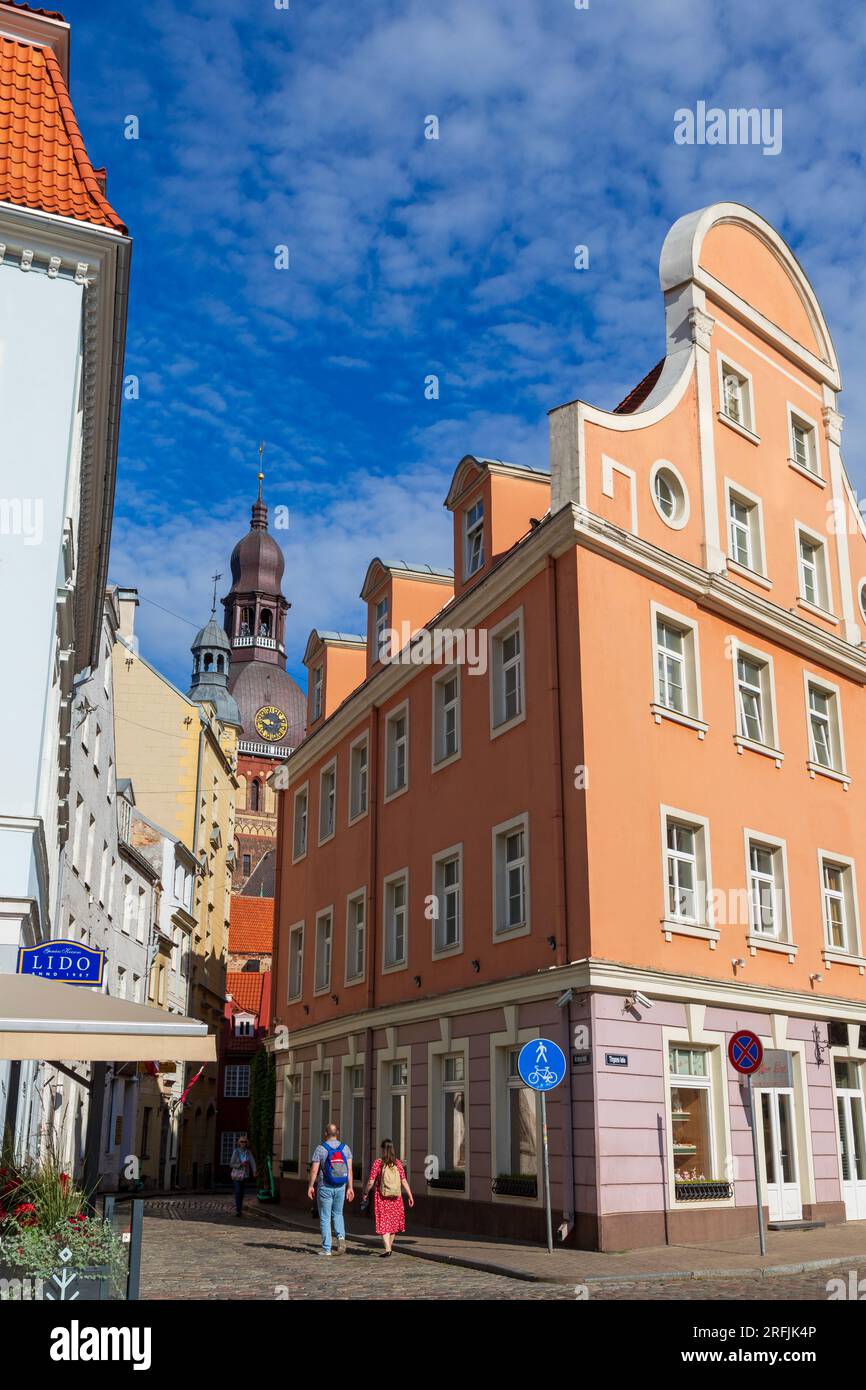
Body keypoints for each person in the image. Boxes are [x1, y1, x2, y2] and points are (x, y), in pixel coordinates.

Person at [307, 1122, 354, 1256]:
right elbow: (349, 1170)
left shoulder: (321, 1149)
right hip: (341, 1186)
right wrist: (350, 1187)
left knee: (325, 1217)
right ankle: (341, 1238)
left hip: (325, 1187)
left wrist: (310, 1186)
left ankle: (327, 1249)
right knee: (338, 1214)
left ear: (325, 1134)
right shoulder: (345, 1148)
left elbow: (314, 1169)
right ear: (337, 1133)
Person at [362, 1138, 414, 1256]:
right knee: (393, 1223)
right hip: (396, 1197)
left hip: (382, 1197)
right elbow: (404, 1180)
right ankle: (389, 1247)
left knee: (384, 1222)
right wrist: (410, 1195)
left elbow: (371, 1181)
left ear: (382, 1150)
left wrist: (365, 1193)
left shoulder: (378, 1163)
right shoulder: (398, 1163)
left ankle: (388, 1249)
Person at [229, 1135, 257, 1216]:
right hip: (236, 1176)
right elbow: (231, 1164)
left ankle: (239, 1208)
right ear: (239, 1143)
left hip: (244, 1175)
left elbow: (252, 1162)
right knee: (238, 1191)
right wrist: (241, 1164)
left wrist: (254, 1171)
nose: (243, 1143)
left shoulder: (248, 1152)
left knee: (241, 1192)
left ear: (246, 1143)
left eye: (244, 1141)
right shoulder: (236, 1151)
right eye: (241, 1141)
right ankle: (238, 1210)